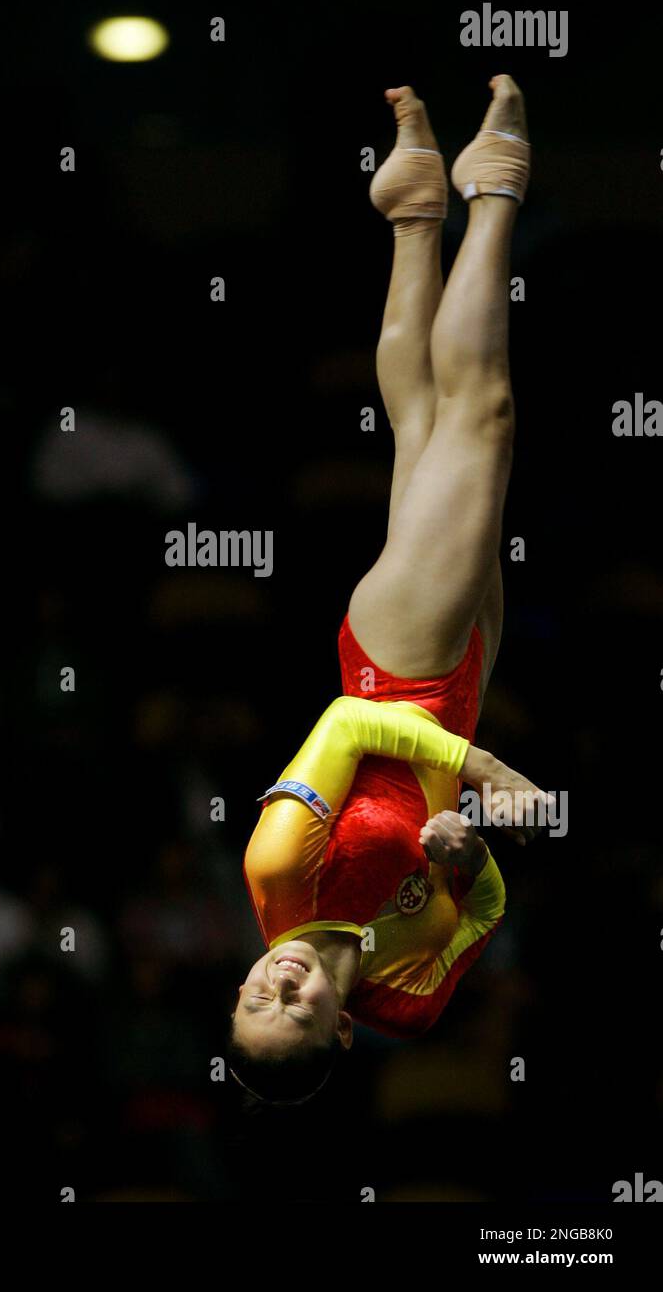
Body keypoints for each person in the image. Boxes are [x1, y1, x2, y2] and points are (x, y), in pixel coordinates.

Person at [230, 76, 550, 1106]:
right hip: (460, 679)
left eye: (247, 1000)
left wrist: (481, 765)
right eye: (291, 1013)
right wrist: (461, 859)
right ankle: (414, 209)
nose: (273, 985)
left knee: (482, 418)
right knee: (423, 427)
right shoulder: (406, 998)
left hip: (394, 666)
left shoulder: (279, 873)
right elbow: (481, 909)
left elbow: (345, 715)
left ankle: (489, 192)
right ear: (340, 1033)